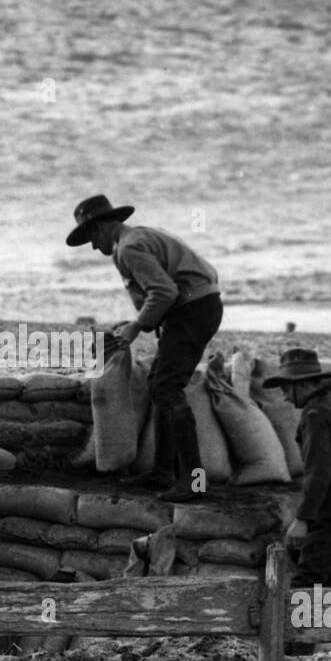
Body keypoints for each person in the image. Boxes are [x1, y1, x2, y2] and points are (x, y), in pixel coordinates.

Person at [65, 194, 222, 502]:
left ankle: (194, 481)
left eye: (92, 237)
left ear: (102, 226)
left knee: (166, 387)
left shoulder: (129, 247)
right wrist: (144, 320)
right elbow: (171, 286)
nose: (94, 247)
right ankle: (164, 471)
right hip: (194, 307)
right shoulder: (141, 236)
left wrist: (137, 326)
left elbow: (164, 290)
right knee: (158, 384)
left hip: (192, 310)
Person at [264, 348, 331, 587]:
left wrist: (303, 519)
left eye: (285, 389)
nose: (285, 397)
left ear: (301, 384)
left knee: (306, 584)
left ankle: (296, 625)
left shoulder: (314, 414)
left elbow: (320, 470)